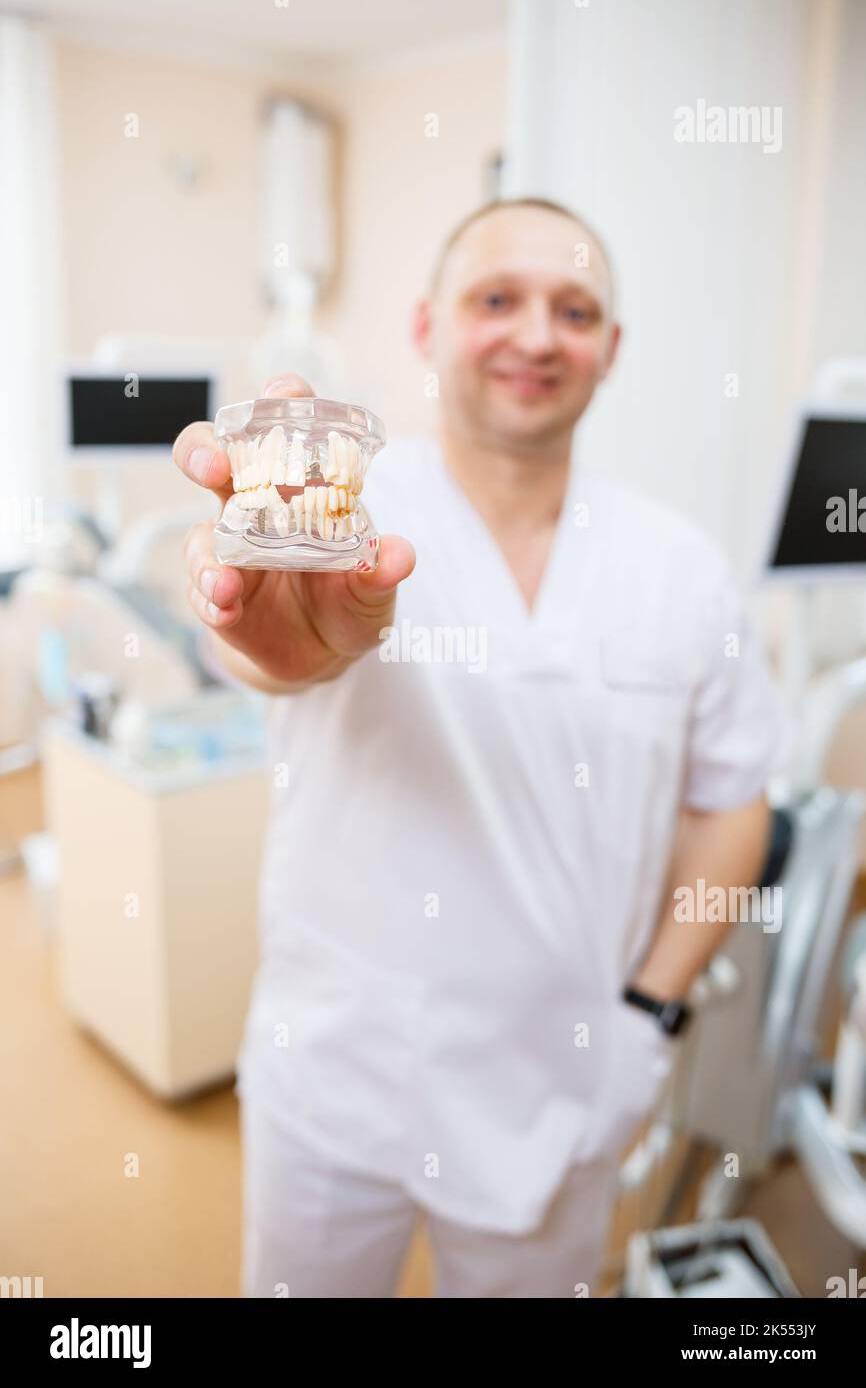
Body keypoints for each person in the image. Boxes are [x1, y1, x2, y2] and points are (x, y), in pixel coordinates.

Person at [173, 197, 786, 1298]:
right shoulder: (339, 513)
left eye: (575, 308)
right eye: (495, 299)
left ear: (611, 348)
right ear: (424, 328)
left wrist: (650, 1009)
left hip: (562, 1079)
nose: (537, 335)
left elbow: (730, 801)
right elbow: (279, 649)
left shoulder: (679, 569)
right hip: (339, 1070)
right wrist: (273, 639)